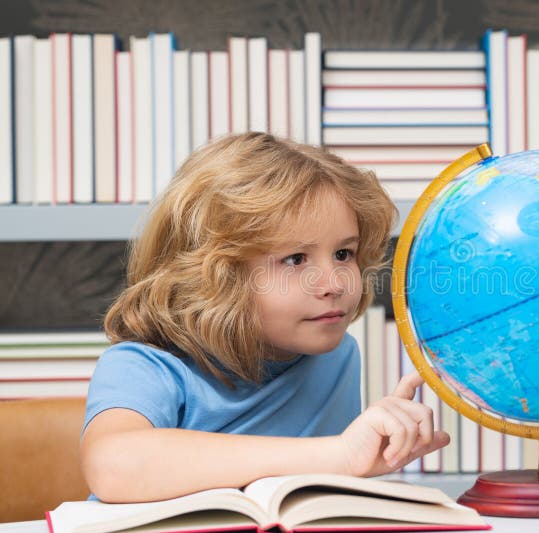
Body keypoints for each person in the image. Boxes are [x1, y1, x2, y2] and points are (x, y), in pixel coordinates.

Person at [80, 132, 450, 503]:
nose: (333, 284)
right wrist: (339, 455)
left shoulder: (337, 358)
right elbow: (112, 467)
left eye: (343, 254)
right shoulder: (144, 366)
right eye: (295, 259)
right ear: (213, 275)